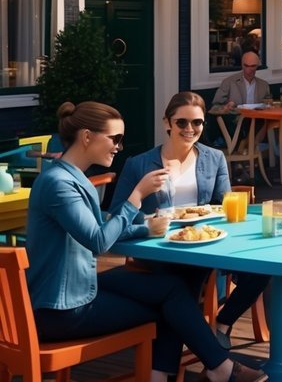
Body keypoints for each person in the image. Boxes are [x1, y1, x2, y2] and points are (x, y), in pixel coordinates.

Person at [28, 101, 266, 382]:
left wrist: (147, 229)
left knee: (171, 288)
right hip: (62, 310)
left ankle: (197, 371)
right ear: (86, 136)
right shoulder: (59, 184)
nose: (118, 146)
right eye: (115, 139)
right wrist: (136, 196)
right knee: (170, 303)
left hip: (78, 289)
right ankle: (217, 369)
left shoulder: (70, 177)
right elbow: (99, 241)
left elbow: (101, 227)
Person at [113, 92, 272, 350]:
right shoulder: (139, 164)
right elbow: (117, 212)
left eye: (197, 123)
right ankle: (183, 359)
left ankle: (221, 324)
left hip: (205, 241)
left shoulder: (214, 158)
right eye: (182, 122)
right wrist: (148, 218)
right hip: (159, 247)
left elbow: (224, 204)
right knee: (183, 280)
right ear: (167, 123)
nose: (190, 129)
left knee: (262, 268)